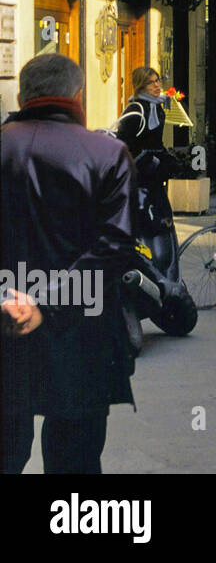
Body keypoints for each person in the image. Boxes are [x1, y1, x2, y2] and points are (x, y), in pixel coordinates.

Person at [2, 54, 136, 474]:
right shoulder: (108, 152)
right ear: (79, 95)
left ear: (23, 95)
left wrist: (11, 298)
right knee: (74, 462)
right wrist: (45, 302)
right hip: (82, 330)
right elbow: (115, 245)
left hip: (5, 327)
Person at [115, 66, 167, 157]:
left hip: (156, 163)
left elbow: (156, 141)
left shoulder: (156, 106)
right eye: (150, 83)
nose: (156, 85)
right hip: (140, 166)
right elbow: (123, 144)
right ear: (141, 86)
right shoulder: (135, 110)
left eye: (157, 80)